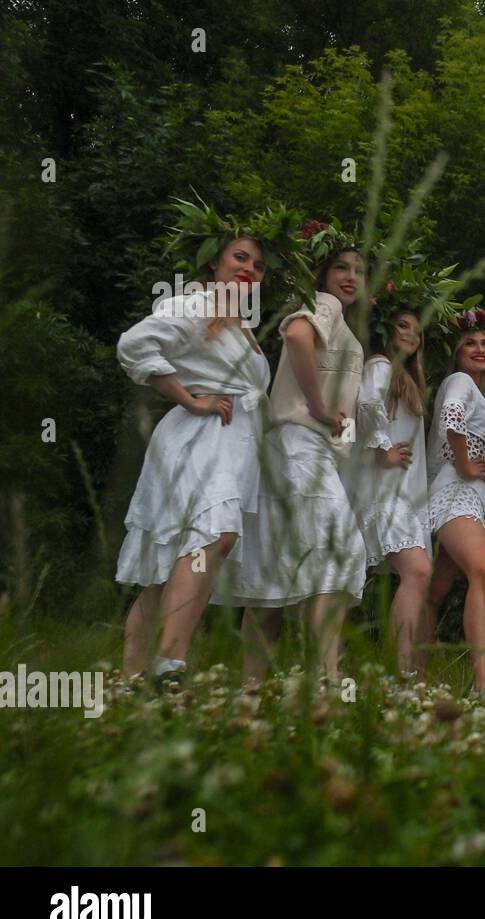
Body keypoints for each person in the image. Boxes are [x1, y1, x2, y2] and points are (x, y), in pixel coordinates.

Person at [116, 198, 304, 691]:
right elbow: (135, 345)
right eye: (241, 258)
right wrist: (189, 398)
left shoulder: (239, 325)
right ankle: (170, 664)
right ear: (215, 260)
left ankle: (130, 677)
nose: (250, 269)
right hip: (202, 437)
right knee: (212, 536)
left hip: (236, 445)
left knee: (171, 564)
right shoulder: (195, 303)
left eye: (259, 266)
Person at [236, 223, 369, 685]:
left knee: (276, 566)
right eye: (341, 267)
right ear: (322, 272)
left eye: (359, 270)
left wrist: (342, 437)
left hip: (300, 448)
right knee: (338, 547)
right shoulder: (322, 306)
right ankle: (327, 678)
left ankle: (250, 687)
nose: (351, 276)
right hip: (298, 440)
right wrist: (317, 406)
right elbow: (295, 337)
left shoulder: (341, 321)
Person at [345, 304, 432, 677]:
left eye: (417, 329)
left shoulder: (409, 379)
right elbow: (366, 404)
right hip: (383, 491)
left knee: (408, 575)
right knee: (418, 571)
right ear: (387, 330)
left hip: (405, 493)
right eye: (402, 325)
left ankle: (394, 666)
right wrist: (382, 450)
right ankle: (401, 669)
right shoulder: (380, 365)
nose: (411, 334)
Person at [424, 309, 485, 696]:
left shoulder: (478, 392)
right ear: (454, 353)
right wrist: (462, 462)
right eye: (469, 343)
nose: (479, 348)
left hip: (463, 498)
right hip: (457, 494)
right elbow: (451, 417)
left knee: (435, 591)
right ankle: (482, 681)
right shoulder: (460, 382)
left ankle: (412, 675)